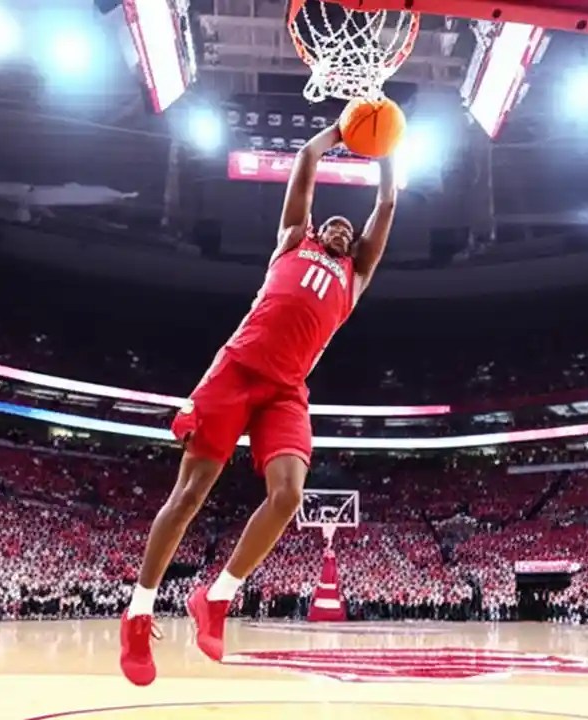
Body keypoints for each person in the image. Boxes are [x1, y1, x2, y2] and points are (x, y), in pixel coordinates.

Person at [118, 122, 398, 687]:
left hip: (285, 391)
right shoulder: (295, 239)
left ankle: (217, 598)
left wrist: (385, 150)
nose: (343, 227)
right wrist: (338, 134)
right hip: (238, 371)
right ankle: (138, 611)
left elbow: (387, 201)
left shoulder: (356, 276)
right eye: (335, 222)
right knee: (190, 494)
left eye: (351, 228)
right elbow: (306, 161)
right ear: (319, 229)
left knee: (290, 494)